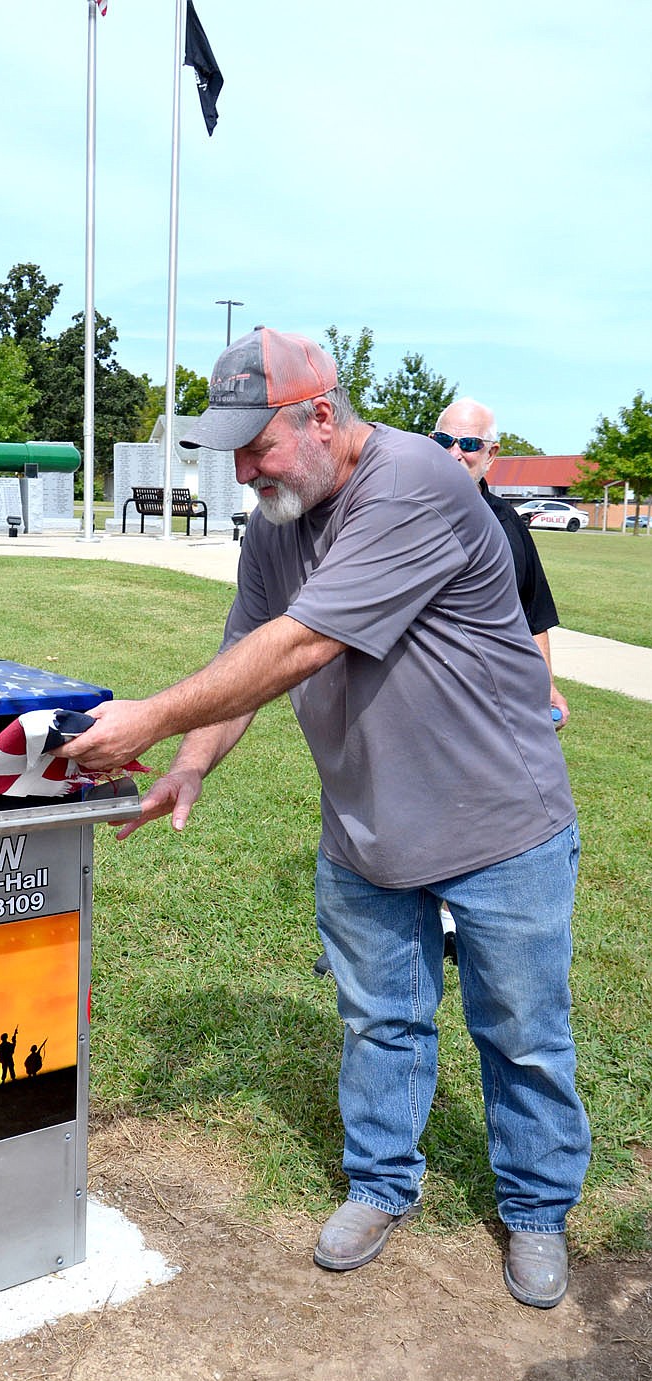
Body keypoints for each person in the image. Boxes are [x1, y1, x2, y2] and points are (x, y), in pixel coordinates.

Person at [57, 327, 590, 1311]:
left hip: (499, 825)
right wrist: (191, 762)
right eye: (230, 453)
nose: (242, 470)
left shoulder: (417, 481)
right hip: (368, 830)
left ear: (320, 415)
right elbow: (247, 652)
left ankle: (534, 1206)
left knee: (520, 1030)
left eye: (255, 446)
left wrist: (149, 711)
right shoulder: (276, 519)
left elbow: (302, 645)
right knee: (380, 1021)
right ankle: (384, 1185)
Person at [431, 398, 569, 726]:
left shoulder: (510, 524)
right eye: (443, 441)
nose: (455, 453)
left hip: (493, 700)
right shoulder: (402, 514)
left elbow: (533, 615)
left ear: (491, 454)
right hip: (425, 697)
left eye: (469, 444)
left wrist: (546, 684)